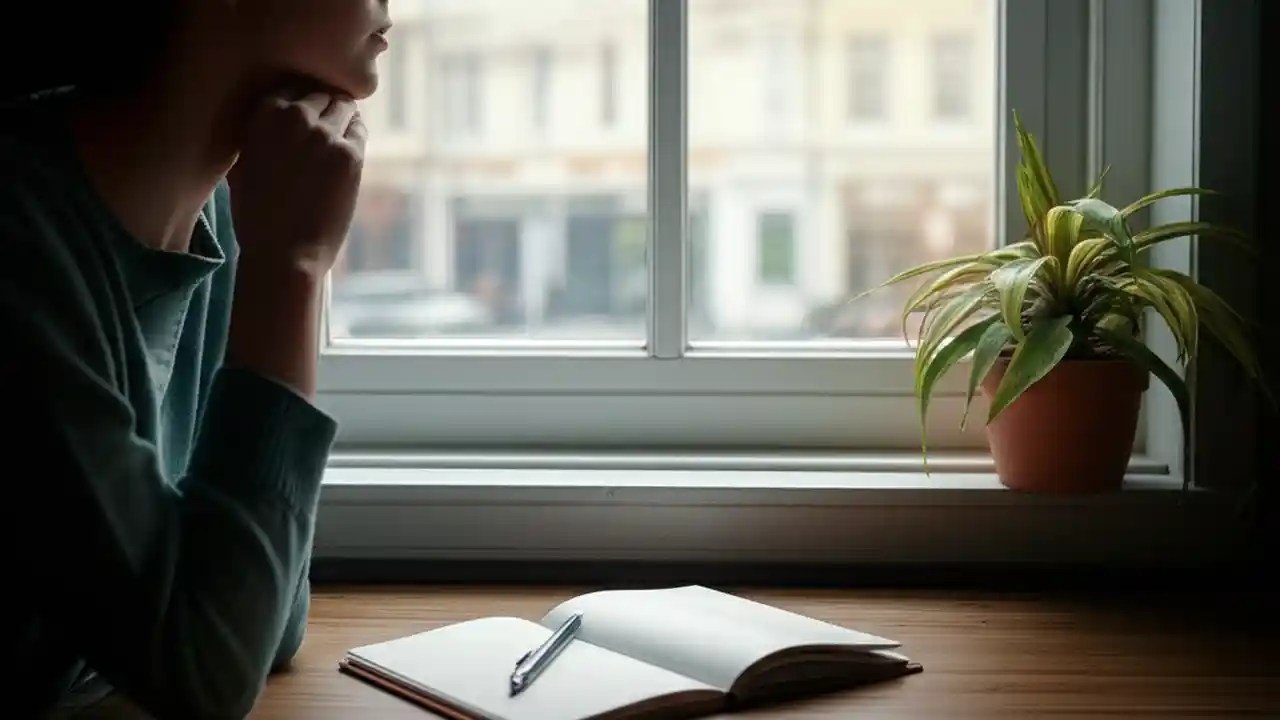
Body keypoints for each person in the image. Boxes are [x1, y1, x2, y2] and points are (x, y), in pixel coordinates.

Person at [0, 1, 393, 717]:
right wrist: (291, 270)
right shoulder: (14, 241)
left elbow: (270, 625)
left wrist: (282, 255)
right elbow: (210, 676)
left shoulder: (222, 208)